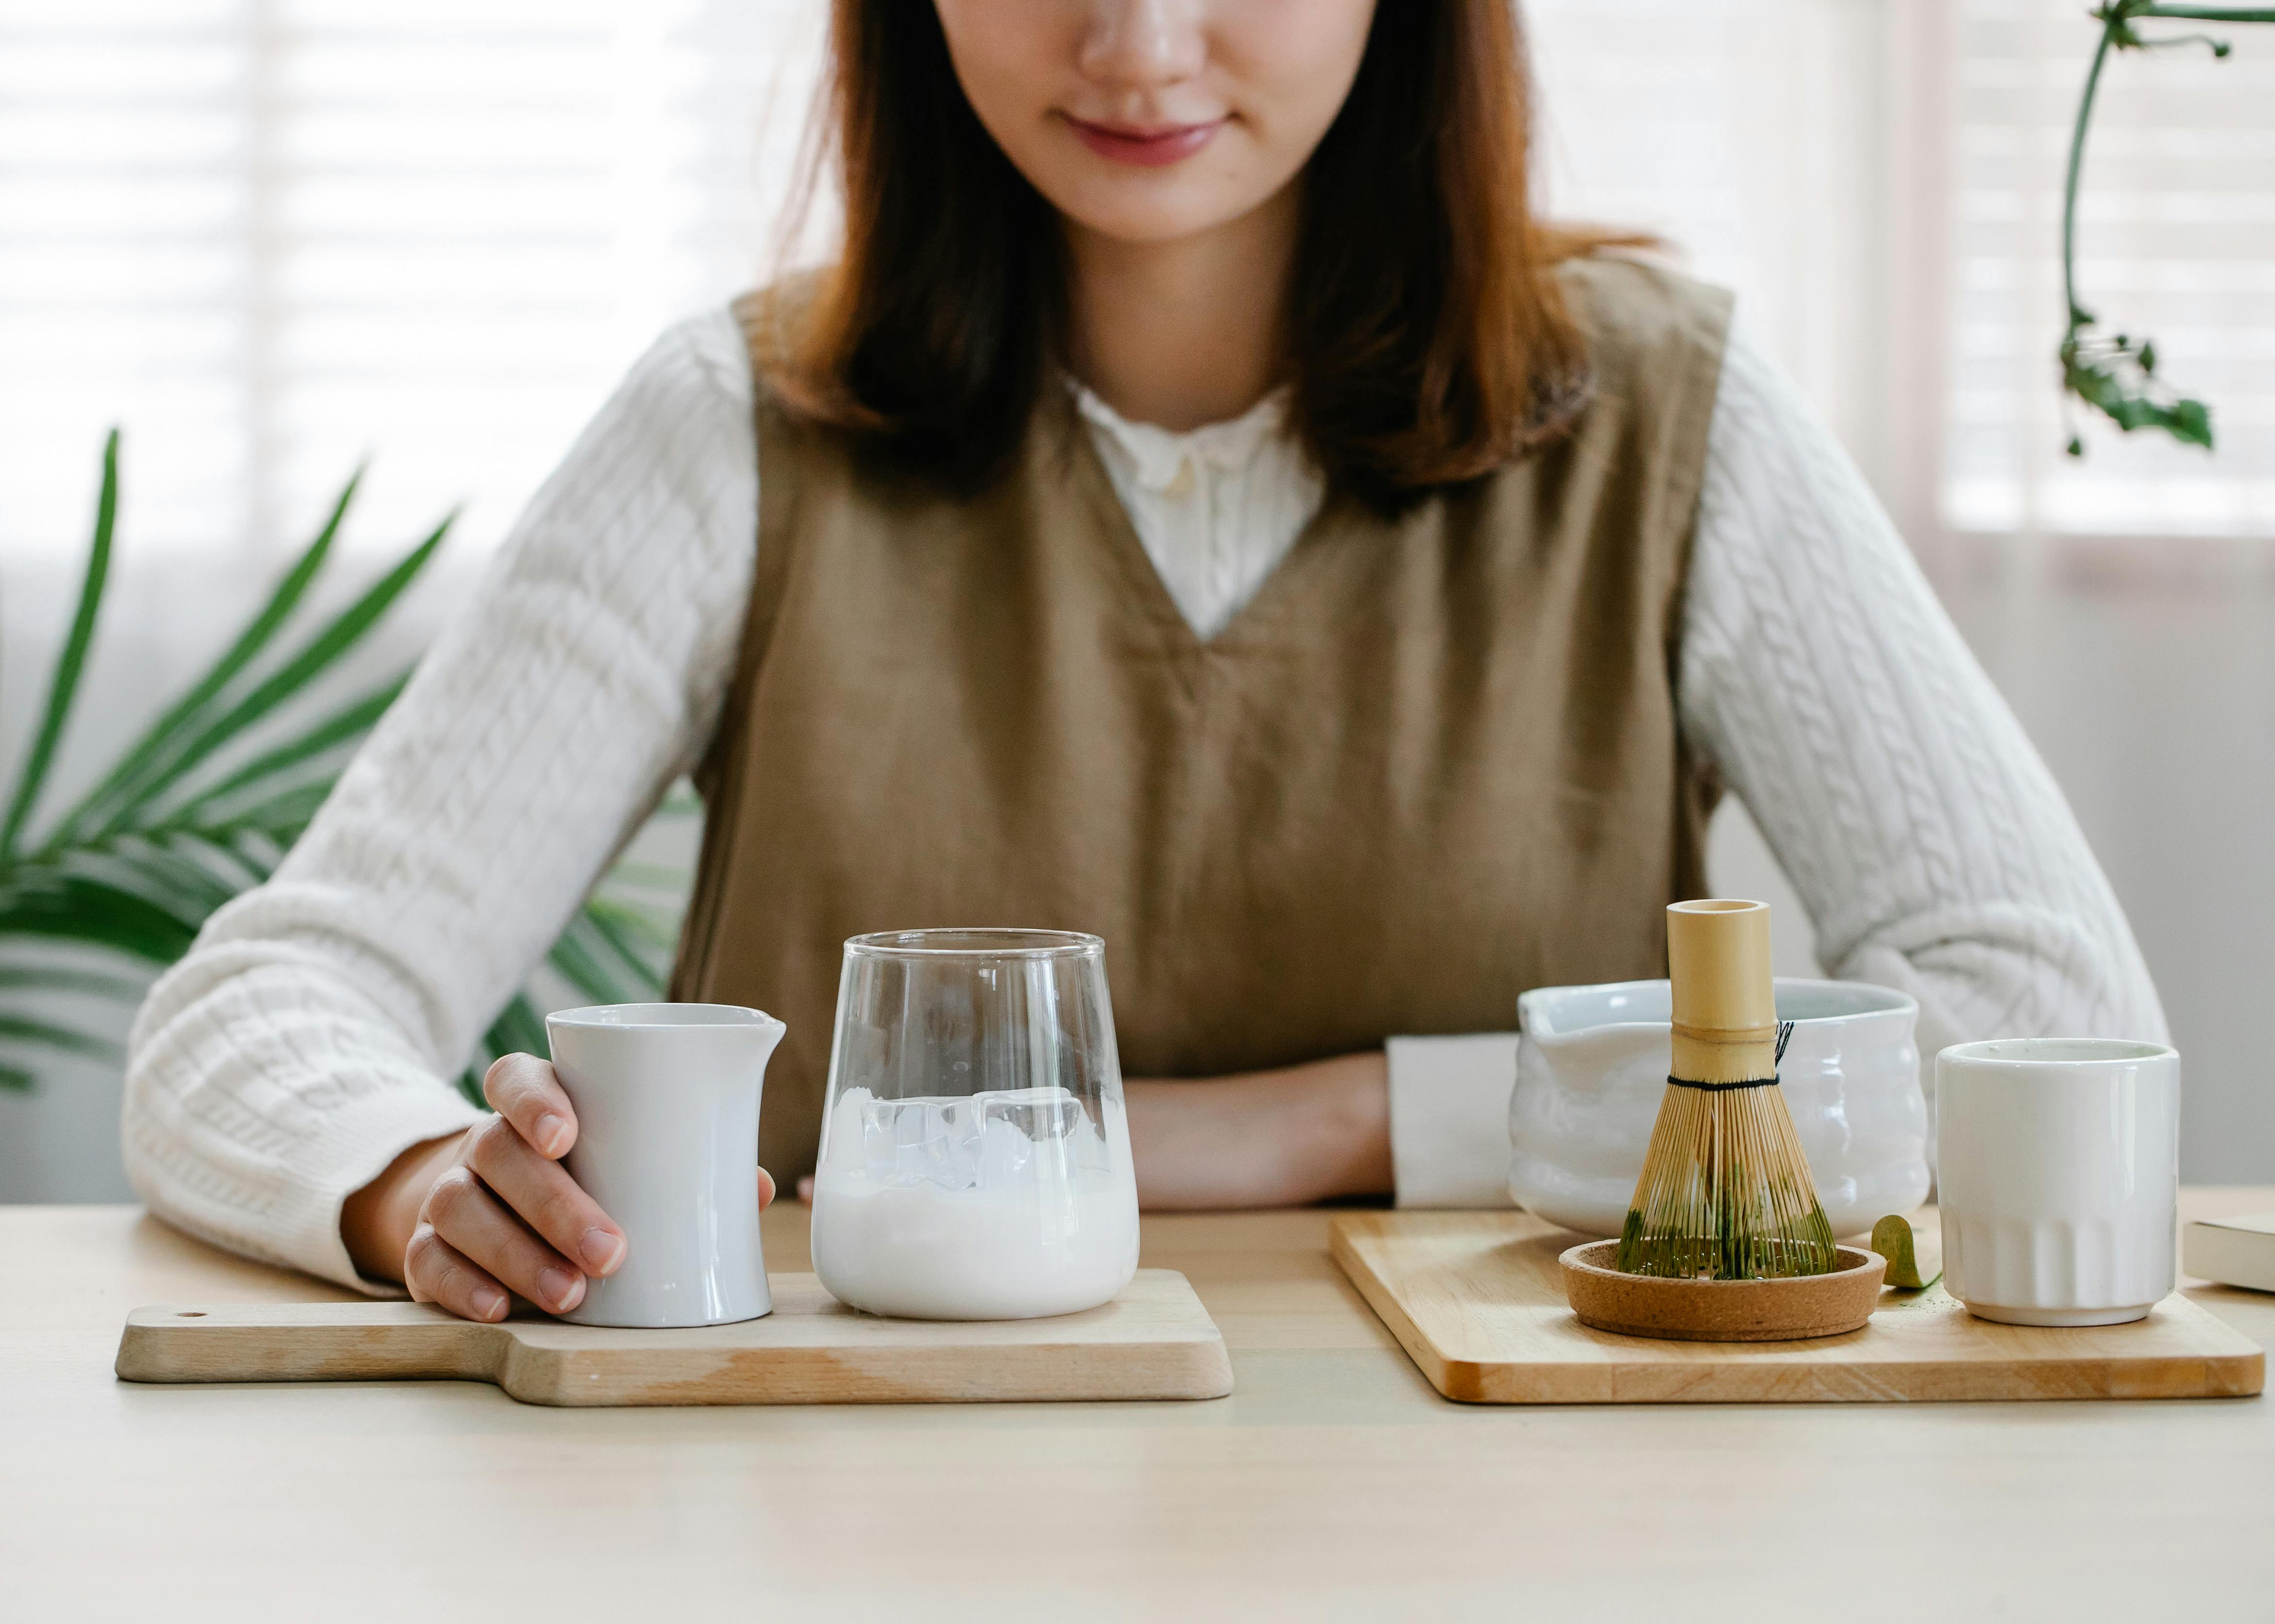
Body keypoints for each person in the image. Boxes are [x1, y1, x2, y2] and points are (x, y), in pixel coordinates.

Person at [122, 0, 2164, 1325]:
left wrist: (1340, 1122)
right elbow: (262, 1009)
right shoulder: (733, 423)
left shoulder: (1662, 415)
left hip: (1508, 1533)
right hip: (830, 1525)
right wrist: (411, 1189)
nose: (1139, 37)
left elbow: (2039, 1023)